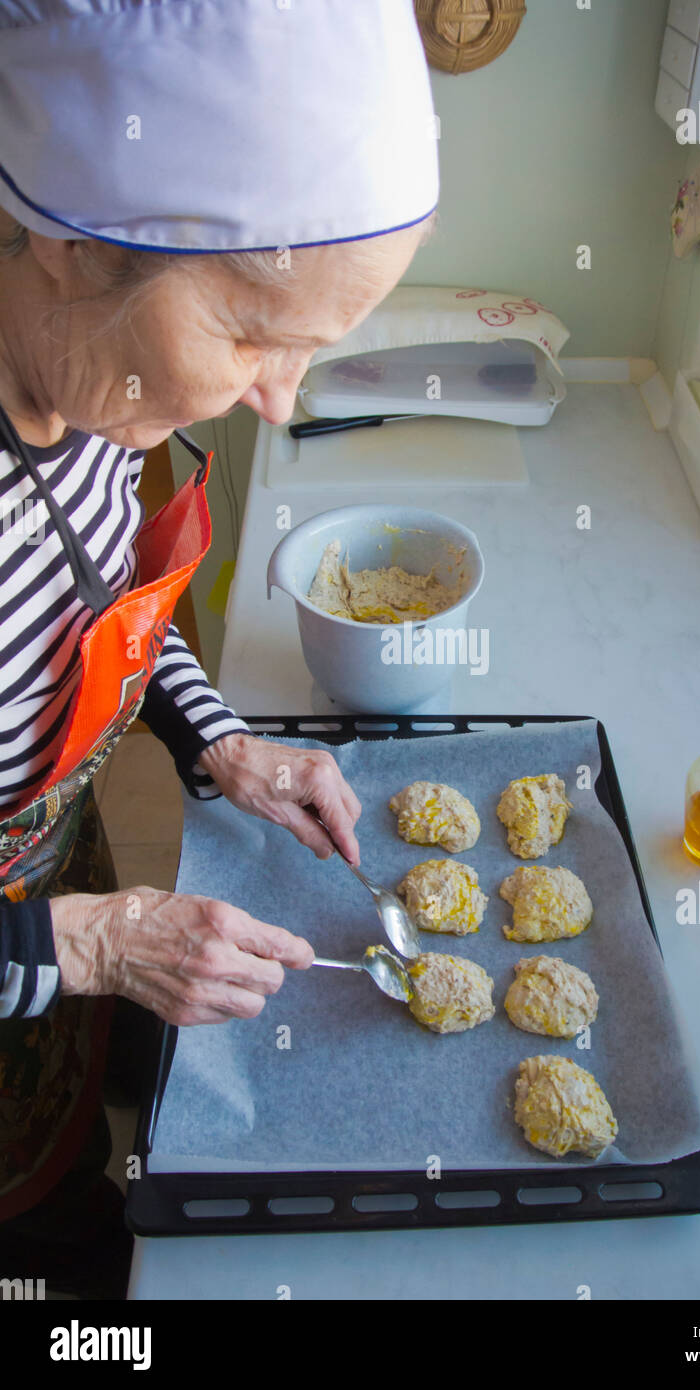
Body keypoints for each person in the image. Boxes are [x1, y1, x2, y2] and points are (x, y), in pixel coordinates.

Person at [0, 0, 438, 1296]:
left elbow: (97, 616)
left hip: (54, 867)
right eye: (253, 335)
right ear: (72, 246)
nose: (279, 400)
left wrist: (221, 738)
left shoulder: (89, 390)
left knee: (103, 1131)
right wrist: (98, 946)